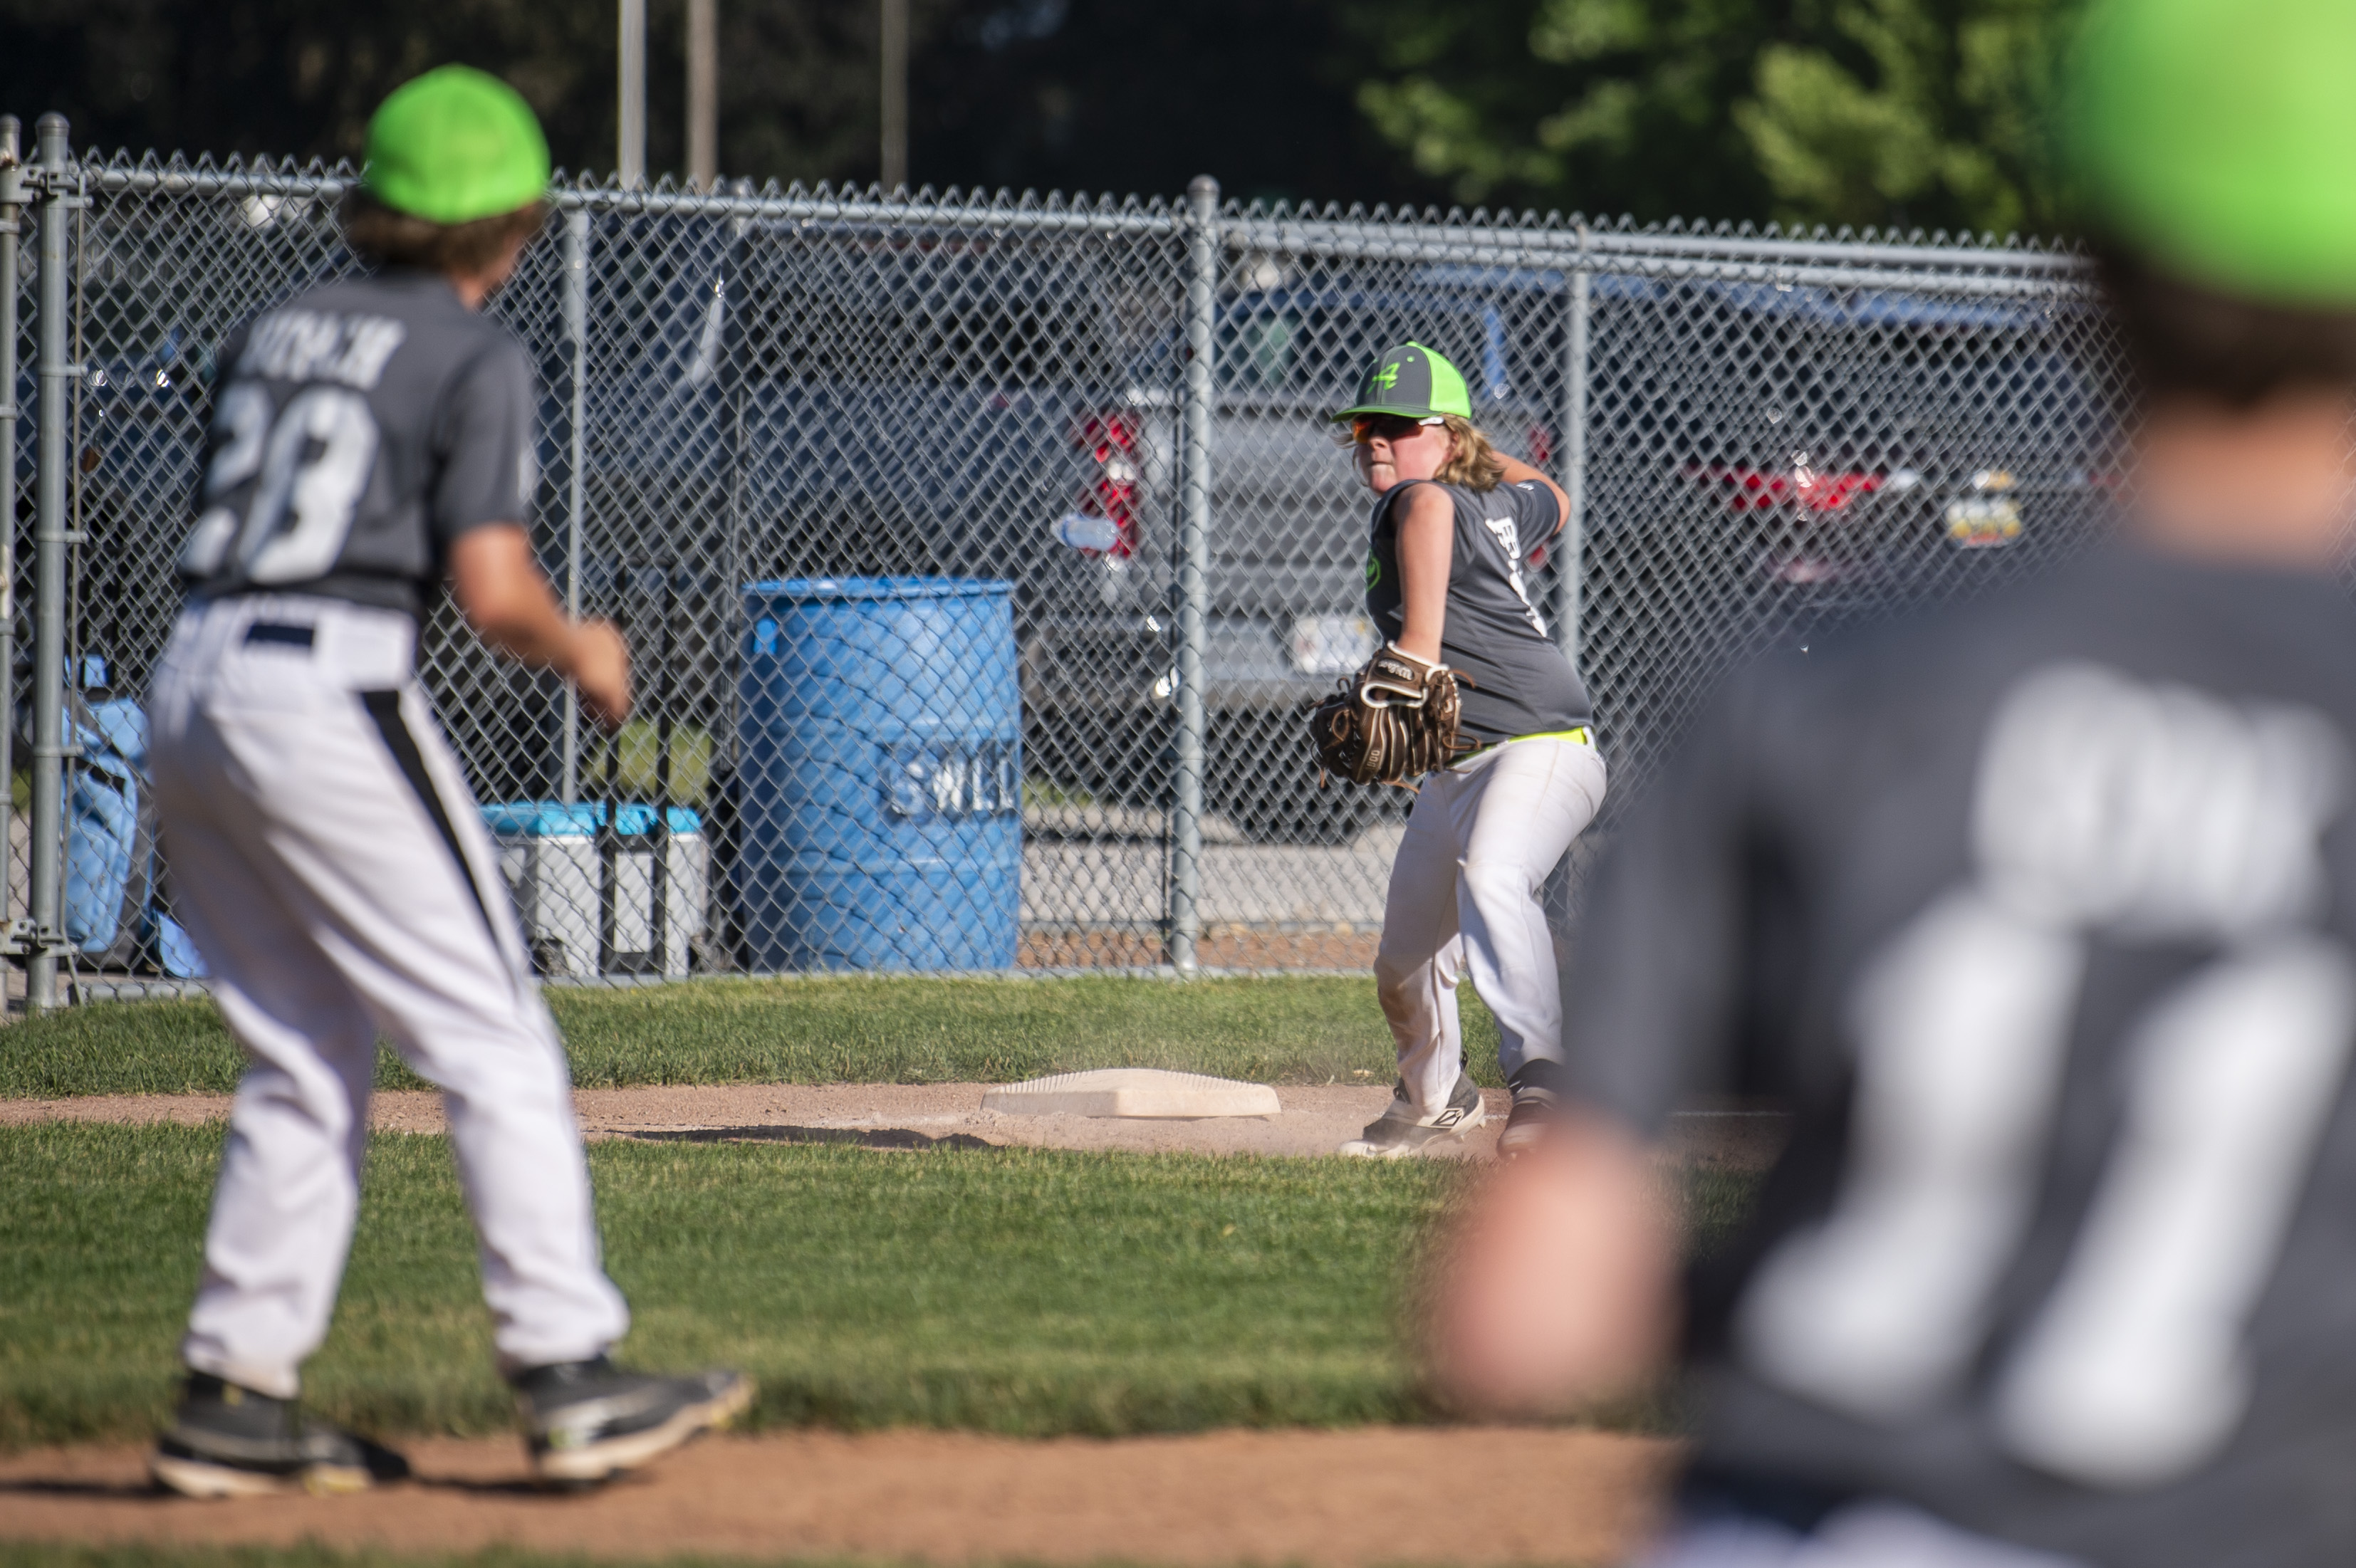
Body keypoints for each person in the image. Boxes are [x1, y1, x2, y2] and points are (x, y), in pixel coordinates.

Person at [1429, 1, 2356, 1563]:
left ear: (2099, 266)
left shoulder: (1839, 701)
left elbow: (1518, 1318)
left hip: (1817, 1515)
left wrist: (1775, 1283)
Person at [145, 66, 750, 1498]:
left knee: (304, 1052)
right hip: (327, 681)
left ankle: (234, 1386)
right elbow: (492, 588)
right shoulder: (470, 355)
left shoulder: (275, 325)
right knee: (493, 1028)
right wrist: (585, 649)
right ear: (510, 230)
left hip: (191, 680)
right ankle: (567, 1367)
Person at [1329, 343, 1607, 1159]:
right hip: (1459, 767)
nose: (1375, 441)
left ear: (1443, 438)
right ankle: (1434, 1096)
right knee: (1404, 963)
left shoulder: (1422, 498)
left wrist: (1401, 667)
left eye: (1398, 427)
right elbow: (1549, 495)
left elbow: (1418, 635)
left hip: (1541, 744)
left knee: (1493, 874)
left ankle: (1544, 1079)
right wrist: (1468, 445)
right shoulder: (1489, 504)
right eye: (1365, 427)